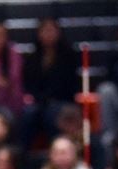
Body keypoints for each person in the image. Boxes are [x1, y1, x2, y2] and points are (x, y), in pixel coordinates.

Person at [21, 18, 79, 150]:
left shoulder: (69, 56)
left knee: (52, 112)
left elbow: (70, 84)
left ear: (58, 33)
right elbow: (29, 84)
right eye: (45, 30)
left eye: (51, 30)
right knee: (29, 113)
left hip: (62, 101)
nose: (48, 34)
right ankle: (23, 154)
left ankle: (57, 151)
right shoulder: (32, 58)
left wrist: (50, 99)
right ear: (39, 33)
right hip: (39, 102)